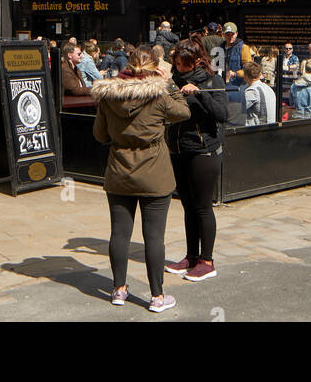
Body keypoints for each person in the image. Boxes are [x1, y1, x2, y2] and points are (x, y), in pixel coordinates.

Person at [91, 45, 191, 312]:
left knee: (119, 233)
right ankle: (157, 297)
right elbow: (184, 112)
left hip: (119, 170)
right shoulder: (159, 95)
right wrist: (168, 83)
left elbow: (100, 136)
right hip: (154, 172)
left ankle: (118, 289)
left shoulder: (108, 96)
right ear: (154, 67)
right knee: (154, 237)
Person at [165, 37, 228, 281]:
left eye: (185, 65)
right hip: (179, 150)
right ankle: (191, 256)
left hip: (204, 151)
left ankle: (207, 260)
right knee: (187, 206)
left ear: (198, 61)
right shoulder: (172, 82)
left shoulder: (214, 80)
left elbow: (223, 115)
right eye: (177, 64)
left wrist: (201, 94)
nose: (180, 69)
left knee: (202, 207)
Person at [241, 60, 277, 125]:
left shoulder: (252, 91)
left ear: (245, 76)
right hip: (271, 126)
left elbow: (238, 108)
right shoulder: (268, 88)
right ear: (260, 74)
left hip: (258, 130)